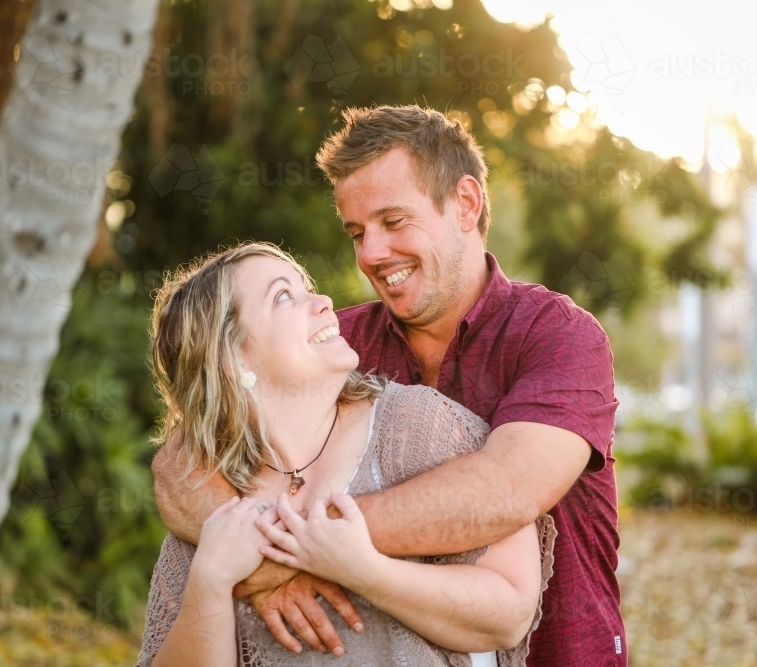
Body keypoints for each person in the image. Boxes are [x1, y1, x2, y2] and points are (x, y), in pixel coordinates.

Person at [153, 105, 624, 666]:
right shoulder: (336, 347)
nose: (371, 254)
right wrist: (246, 567)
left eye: (394, 222)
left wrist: (290, 550)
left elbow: (505, 493)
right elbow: (181, 461)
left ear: (466, 204)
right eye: (357, 232)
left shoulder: (558, 335)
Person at [138, 243, 556, 667]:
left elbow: (507, 615)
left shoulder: (419, 425)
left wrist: (364, 570)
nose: (323, 302)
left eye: (308, 288)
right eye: (284, 296)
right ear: (230, 357)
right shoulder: (212, 503)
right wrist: (210, 582)